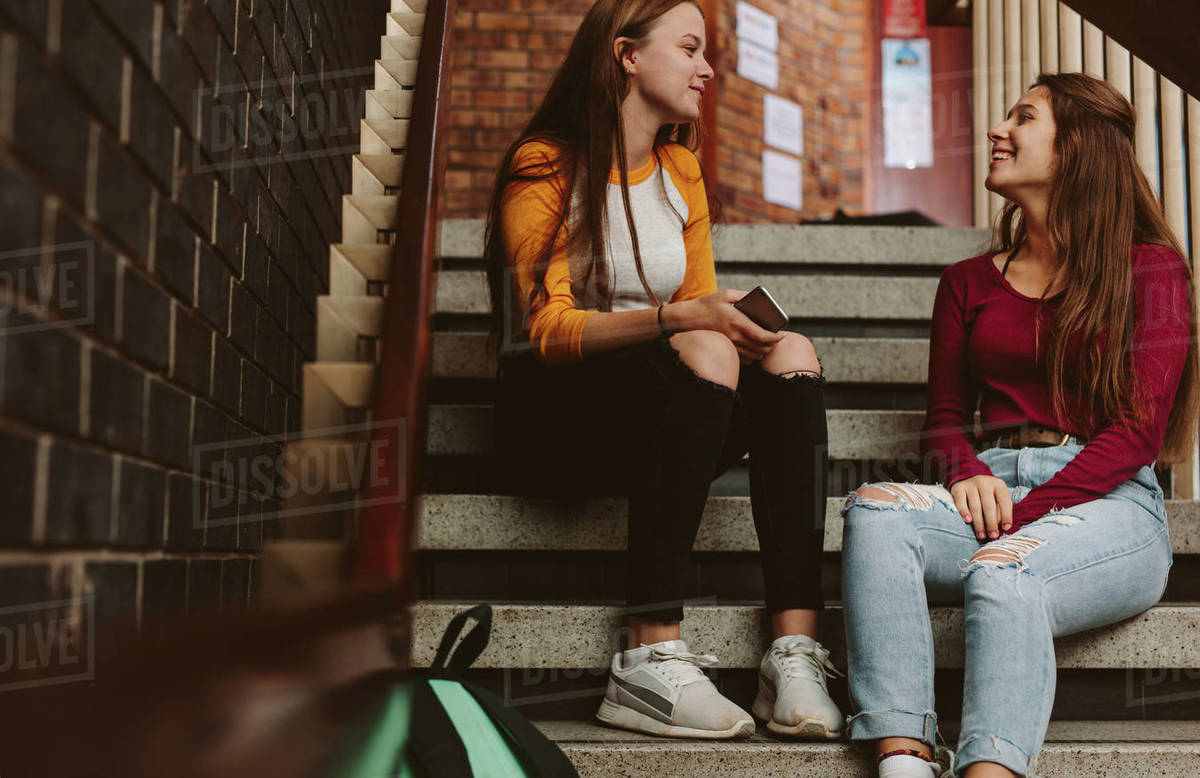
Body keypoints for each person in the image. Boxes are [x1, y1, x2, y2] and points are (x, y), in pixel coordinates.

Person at [483, 0, 842, 741]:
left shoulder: (680, 170)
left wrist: (733, 327)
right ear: (625, 54)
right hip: (554, 424)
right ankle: (647, 654)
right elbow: (541, 332)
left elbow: (699, 306)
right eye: (689, 49)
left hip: (663, 417)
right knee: (704, 341)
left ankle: (792, 651)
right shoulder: (543, 165)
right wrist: (680, 319)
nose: (707, 69)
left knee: (792, 353)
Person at [840, 72, 1199, 778]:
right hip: (992, 494)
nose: (997, 130)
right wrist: (969, 469)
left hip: (1107, 505)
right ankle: (903, 756)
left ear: (1077, 151)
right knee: (874, 510)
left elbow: (1137, 433)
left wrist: (1025, 520)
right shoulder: (967, 282)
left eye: (1023, 117)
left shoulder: (1152, 271)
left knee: (1004, 575)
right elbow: (945, 420)